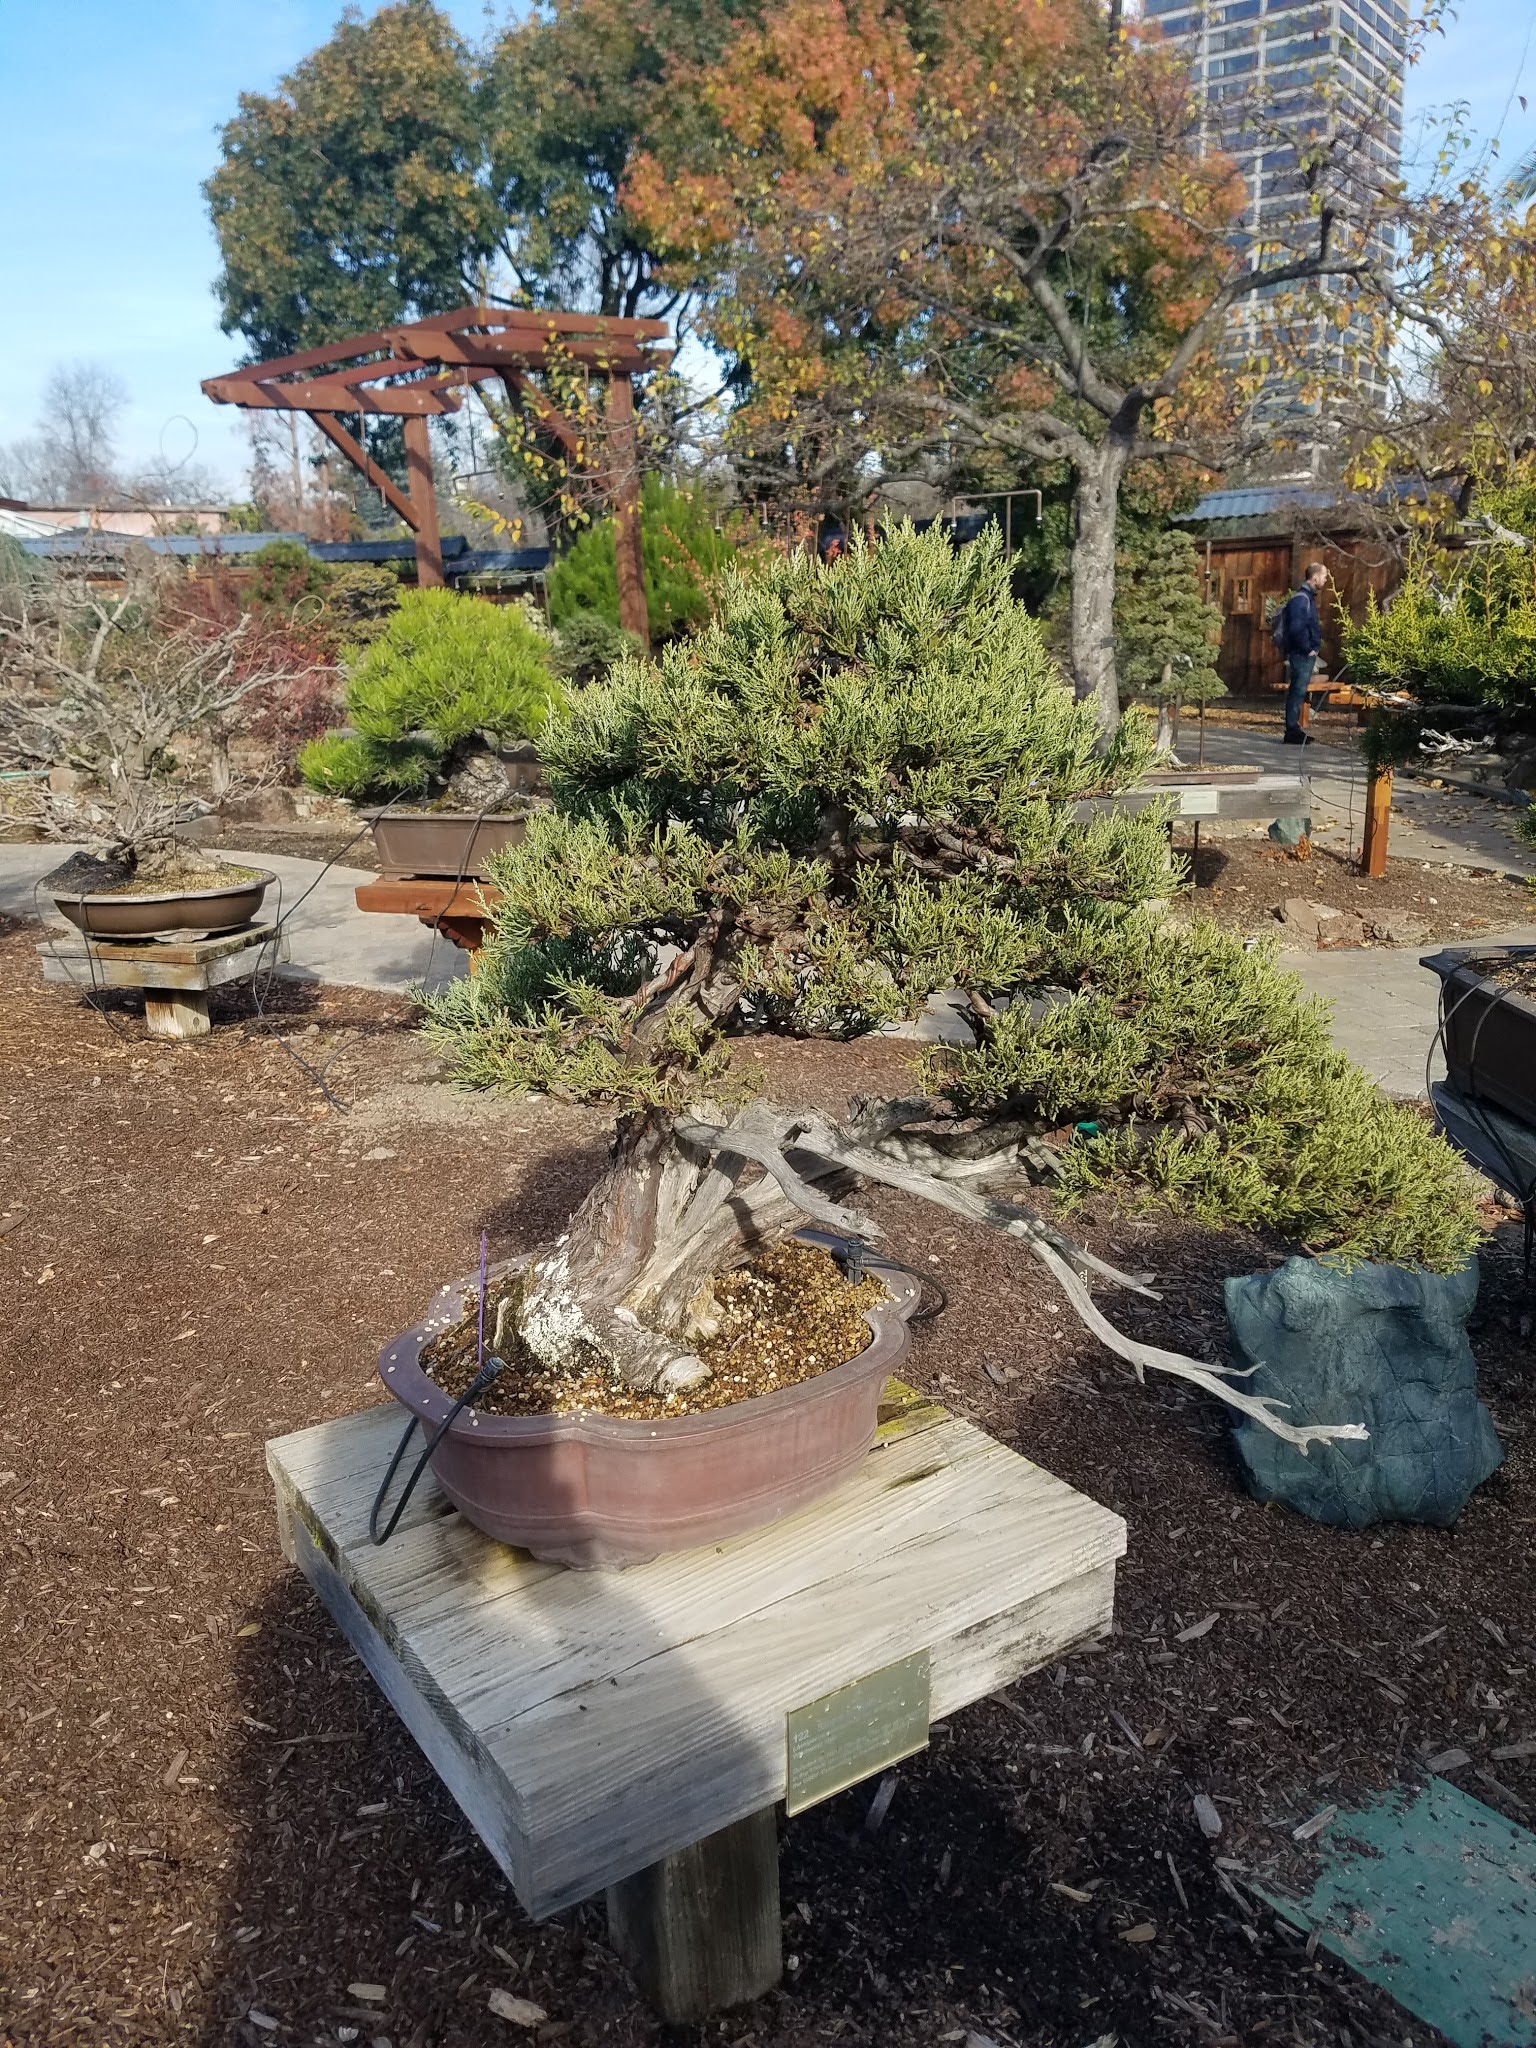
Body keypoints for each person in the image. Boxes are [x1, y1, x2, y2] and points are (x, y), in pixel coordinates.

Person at [1275, 562, 1329, 744]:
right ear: (1315, 577)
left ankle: (1294, 729)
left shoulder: (1306, 598)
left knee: (1298, 691)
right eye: (1324, 576)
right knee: (1297, 691)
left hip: (1303, 653)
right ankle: (1292, 731)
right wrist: (1308, 649)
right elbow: (1296, 628)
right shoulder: (1301, 600)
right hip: (1301, 654)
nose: (1325, 580)